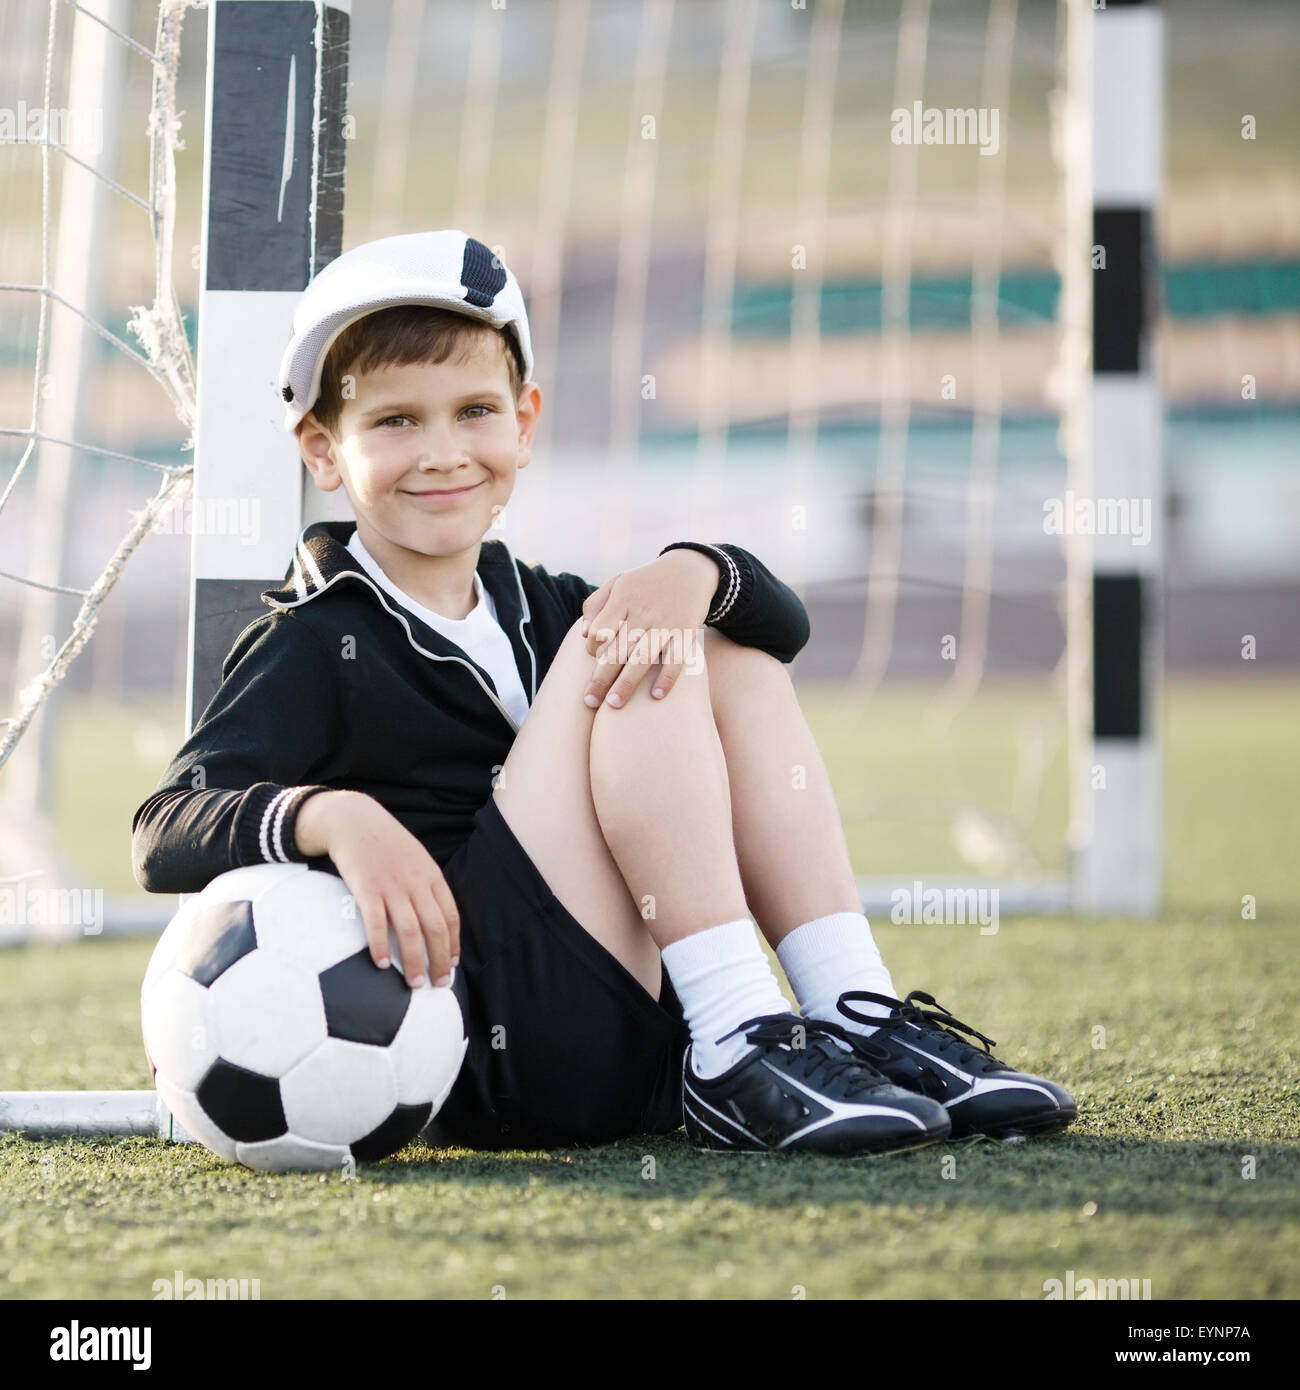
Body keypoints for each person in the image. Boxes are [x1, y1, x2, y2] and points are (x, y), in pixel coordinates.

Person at [132, 230, 1076, 1155]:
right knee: (637, 642)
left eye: (474, 412)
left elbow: (779, 627)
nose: (443, 451)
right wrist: (333, 816)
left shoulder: (539, 604)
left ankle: (849, 1009)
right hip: (492, 1044)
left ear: (525, 423)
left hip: (640, 1038)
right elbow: (163, 826)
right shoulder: (314, 635)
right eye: (395, 422)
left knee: (711, 640)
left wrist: (698, 568)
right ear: (323, 451)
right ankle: (742, 1038)